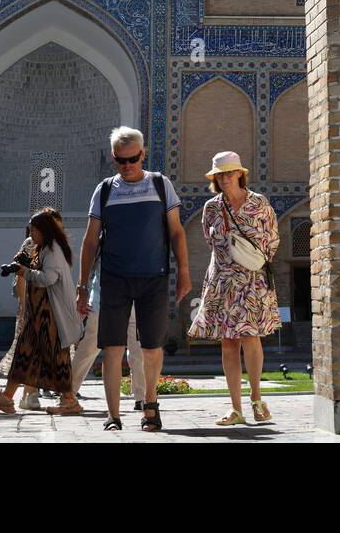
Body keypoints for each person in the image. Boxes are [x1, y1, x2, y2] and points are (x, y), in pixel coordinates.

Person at [77, 126, 191, 433]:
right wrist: (82, 285)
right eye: (119, 161)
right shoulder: (104, 190)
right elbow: (89, 242)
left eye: (131, 159)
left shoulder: (159, 184)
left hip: (153, 277)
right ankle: (113, 415)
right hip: (114, 278)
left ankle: (149, 406)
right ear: (113, 158)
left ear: (142, 154)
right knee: (112, 348)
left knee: (151, 348)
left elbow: (177, 232)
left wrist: (183, 272)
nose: (126, 166)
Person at [187, 151, 281, 426]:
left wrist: (252, 261)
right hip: (224, 280)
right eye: (220, 174)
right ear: (215, 178)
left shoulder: (259, 203)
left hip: (252, 280)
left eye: (230, 172)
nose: (225, 178)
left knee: (251, 338)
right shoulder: (212, 208)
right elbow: (210, 240)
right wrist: (226, 237)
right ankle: (236, 408)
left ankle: (257, 399)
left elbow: (273, 240)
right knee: (229, 343)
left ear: (240, 173)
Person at [0, 209, 83, 415]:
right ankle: (7, 398)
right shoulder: (41, 248)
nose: (32, 233)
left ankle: (69, 401)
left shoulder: (52, 249)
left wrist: (23, 272)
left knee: (56, 357)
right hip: (39, 314)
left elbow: (48, 279)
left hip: (51, 315)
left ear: (44, 230)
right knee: (25, 353)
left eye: (35, 229)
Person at [70, 259, 144, 408]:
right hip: (103, 298)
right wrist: (82, 291)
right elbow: (89, 258)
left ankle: (142, 397)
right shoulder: (102, 234)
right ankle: (68, 392)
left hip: (137, 298)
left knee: (138, 350)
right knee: (88, 348)